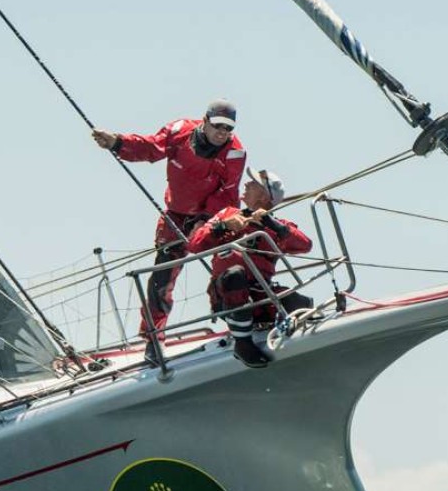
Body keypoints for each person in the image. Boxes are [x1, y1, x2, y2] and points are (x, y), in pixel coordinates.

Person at [92, 100, 247, 363]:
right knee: (161, 281)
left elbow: (229, 192)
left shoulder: (234, 152)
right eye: (218, 125)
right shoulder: (179, 131)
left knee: (232, 263)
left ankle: (240, 319)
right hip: (175, 217)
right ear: (205, 121)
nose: (222, 132)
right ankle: (154, 338)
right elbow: (151, 148)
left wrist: (206, 219)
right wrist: (117, 142)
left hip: (213, 216)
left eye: (228, 128)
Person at [187, 168, 313, 367]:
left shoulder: (277, 225)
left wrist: (271, 223)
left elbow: (305, 245)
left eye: (252, 184)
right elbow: (195, 244)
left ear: (264, 196)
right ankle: (243, 344)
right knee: (235, 275)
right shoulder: (227, 214)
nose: (245, 185)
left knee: (297, 301)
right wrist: (223, 227)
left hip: (261, 293)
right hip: (227, 291)